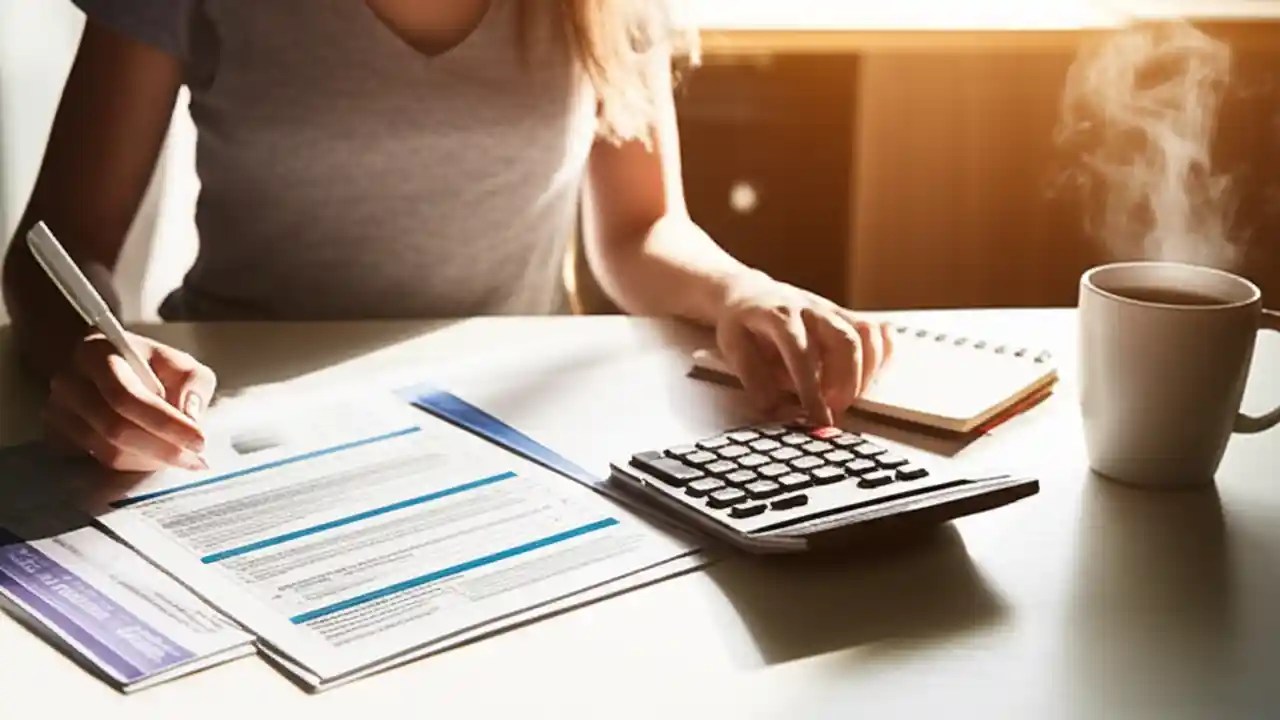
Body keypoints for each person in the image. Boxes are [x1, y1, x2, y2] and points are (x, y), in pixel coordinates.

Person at [2, 0, 892, 473]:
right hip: (237, 427)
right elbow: (59, 245)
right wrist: (94, 351)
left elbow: (641, 228)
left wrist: (743, 291)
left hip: (515, 433)